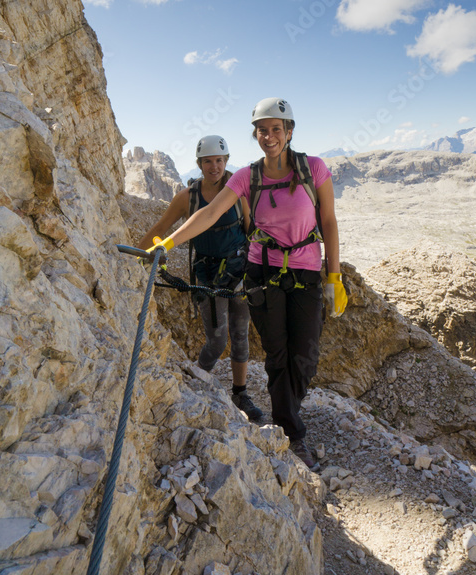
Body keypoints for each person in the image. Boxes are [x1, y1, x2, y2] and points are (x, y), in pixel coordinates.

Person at [146, 99, 347, 468]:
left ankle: (287, 410)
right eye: (262, 130)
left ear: (289, 131)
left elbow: (329, 222)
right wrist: (169, 243)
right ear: (255, 134)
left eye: (276, 129)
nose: (269, 136)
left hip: (304, 271)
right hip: (262, 272)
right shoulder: (247, 177)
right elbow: (209, 213)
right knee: (277, 354)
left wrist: (333, 275)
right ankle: (290, 431)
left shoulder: (314, 168)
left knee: (305, 354)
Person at [138, 135, 263, 423]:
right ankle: (196, 381)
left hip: (239, 272)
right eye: (208, 161)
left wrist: (258, 270)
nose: (215, 166)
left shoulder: (239, 192)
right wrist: (137, 252)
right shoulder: (188, 197)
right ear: (199, 164)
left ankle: (241, 393)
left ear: (226, 161)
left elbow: (250, 231)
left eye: (219, 160)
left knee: (241, 336)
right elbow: (161, 227)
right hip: (207, 276)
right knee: (217, 341)